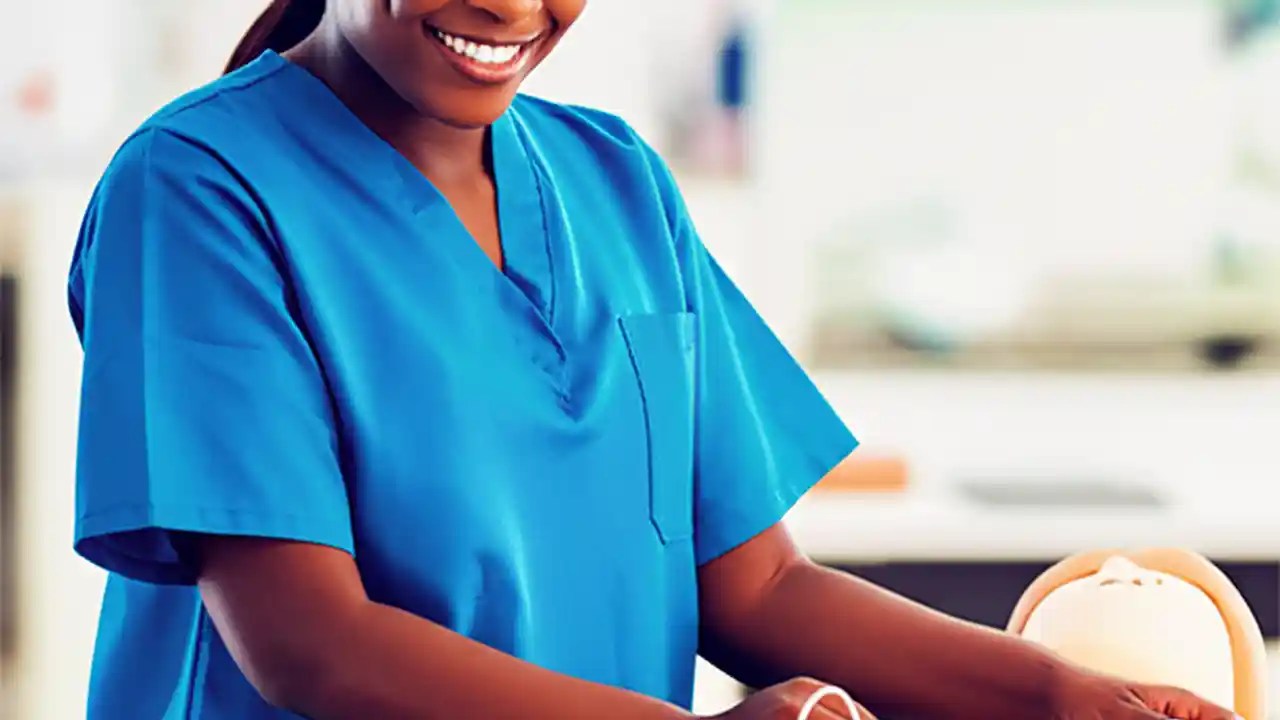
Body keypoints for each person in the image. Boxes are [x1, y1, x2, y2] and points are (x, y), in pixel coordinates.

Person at [66, 2, 1240, 719]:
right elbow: (310, 647)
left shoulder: (615, 181)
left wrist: (1054, 695)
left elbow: (758, 588)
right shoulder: (198, 189)